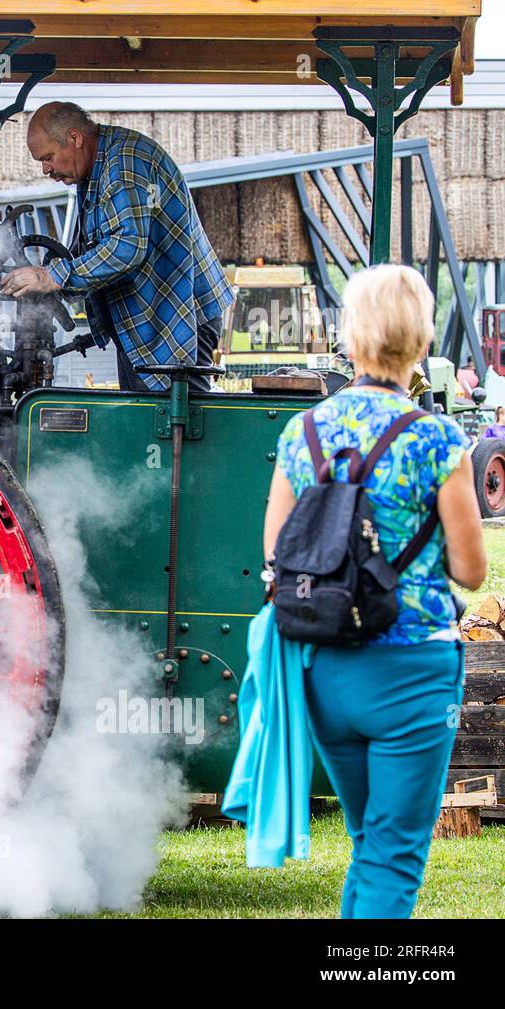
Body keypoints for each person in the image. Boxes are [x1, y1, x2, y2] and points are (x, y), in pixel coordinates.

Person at [263, 263, 486, 918]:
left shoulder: (301, 434)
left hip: (325, 670)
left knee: (371, 844)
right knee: (394, 855)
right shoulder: (437, 438)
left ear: (351, 340)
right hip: (412, 670)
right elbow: (473, 571)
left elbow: (274, 552)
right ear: (420, 343)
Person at [0, 102, 232, 393]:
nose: (46, 169)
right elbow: (97, 245)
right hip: (149, 316)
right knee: (144, 421)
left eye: (49, 158)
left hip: (177, 312)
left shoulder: (125, 164)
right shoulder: (99, 167)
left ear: (75, 138)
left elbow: (127, 246)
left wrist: (51, 277)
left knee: (170, 423)